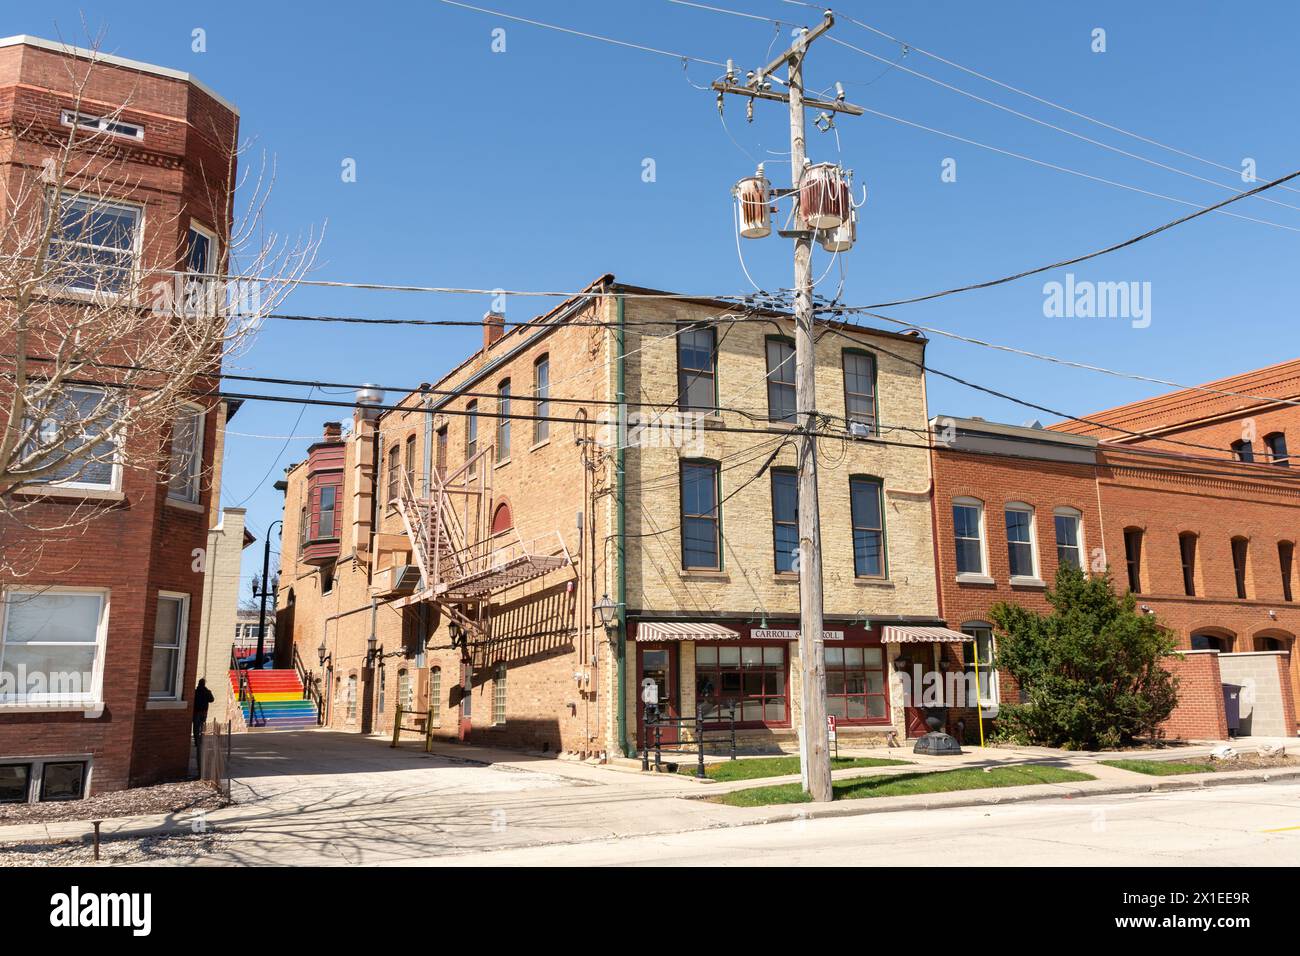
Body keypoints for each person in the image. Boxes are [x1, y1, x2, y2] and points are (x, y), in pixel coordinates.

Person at [193, 678, 215, 764]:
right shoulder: (207, 691)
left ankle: (196, 741)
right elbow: (212, 700)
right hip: (203, 712)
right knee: (202, 726)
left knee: (195, 727)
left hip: (196, 712)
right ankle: (201, 740)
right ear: (204, 684)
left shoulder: (195, 691)